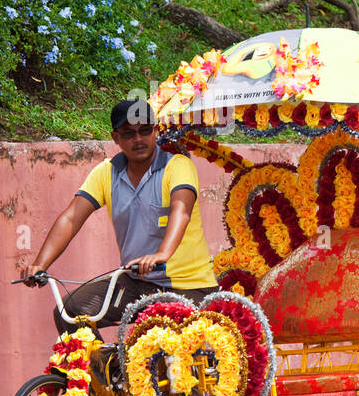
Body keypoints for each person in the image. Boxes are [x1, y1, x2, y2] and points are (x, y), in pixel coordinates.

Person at [22, 98, 220, 332]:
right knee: (69, 312)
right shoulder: (107, 173)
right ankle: (98, 367)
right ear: (116, 138)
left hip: (189, 288)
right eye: (129, 133)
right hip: (136, 283)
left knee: (161, 344)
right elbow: (71, 217)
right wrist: (39, 264)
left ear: (155, 131)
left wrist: (161, 254)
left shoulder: (177, 166)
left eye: (145, 130)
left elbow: (182, 210)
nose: (138, 139)